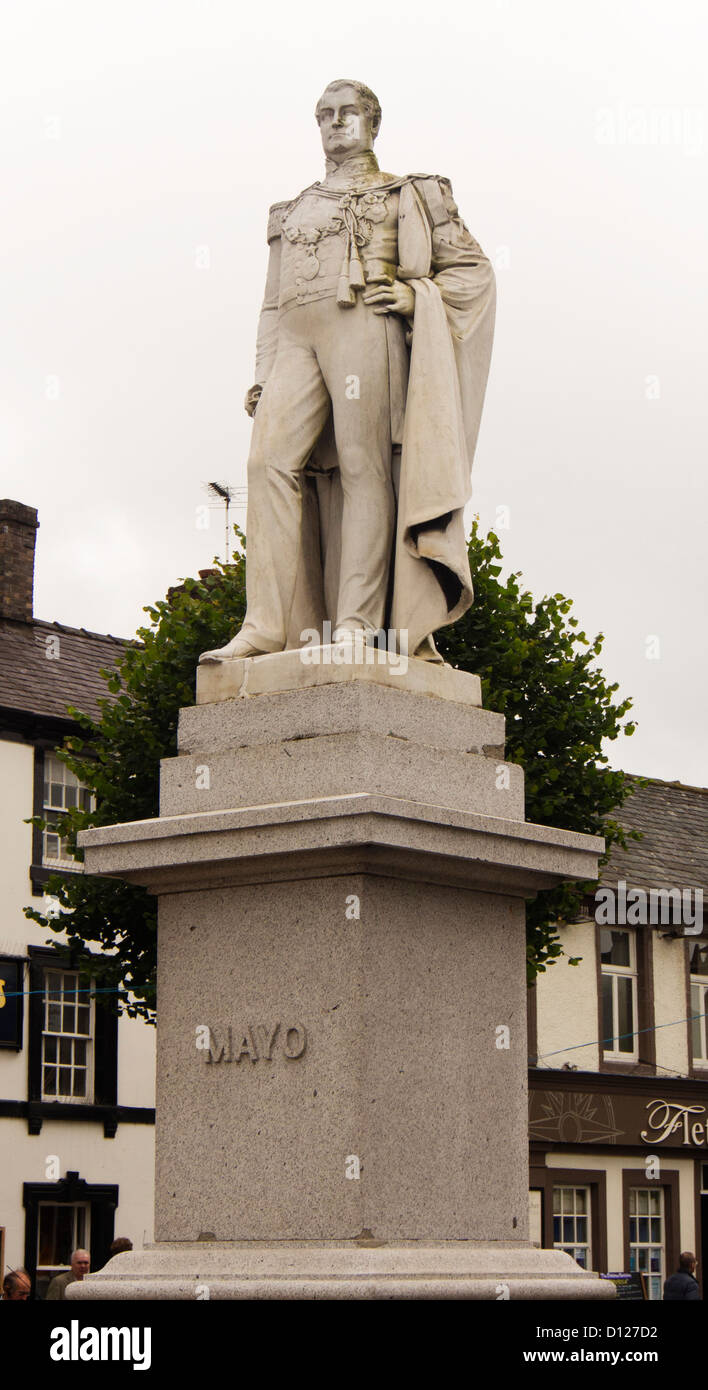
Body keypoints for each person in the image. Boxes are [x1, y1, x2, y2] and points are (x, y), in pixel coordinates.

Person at [200, 78, 495, 668]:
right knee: (267, 463)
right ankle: (266, 624)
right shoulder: (292, 209)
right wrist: (262, 371)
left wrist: (417, 299)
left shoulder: (409, 193)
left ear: (372, 123)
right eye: (324, 114)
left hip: (365, 327)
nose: (335, 123)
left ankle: (359, 624)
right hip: (297, 340)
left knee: (363, 466)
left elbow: (473, 273)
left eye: (347, 113)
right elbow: (269, 302)